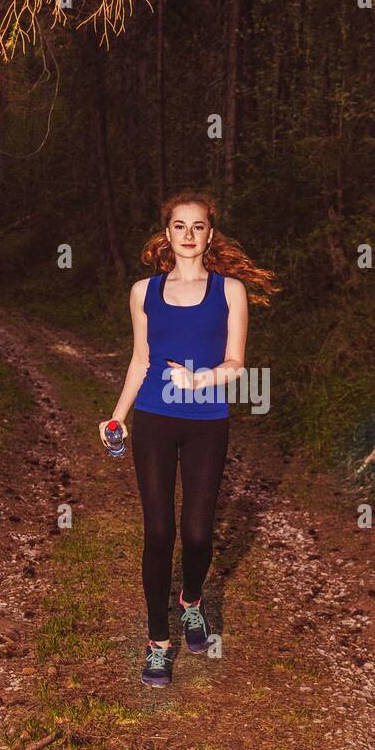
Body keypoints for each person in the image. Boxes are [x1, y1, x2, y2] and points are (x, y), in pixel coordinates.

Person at [100, 190, 278, 687]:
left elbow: (237, 363)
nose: (189, 235)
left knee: (198, 533)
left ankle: (192, 602)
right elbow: (141, 360)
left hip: (207, 420)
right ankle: (158, 642)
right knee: (158, 532)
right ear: (167, 235)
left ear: (210, 235)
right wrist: (117, 416)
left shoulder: (230, 291)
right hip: (154, 420)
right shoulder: (143, 292)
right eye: (180, 226)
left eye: (198, 227)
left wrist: (200, 380)